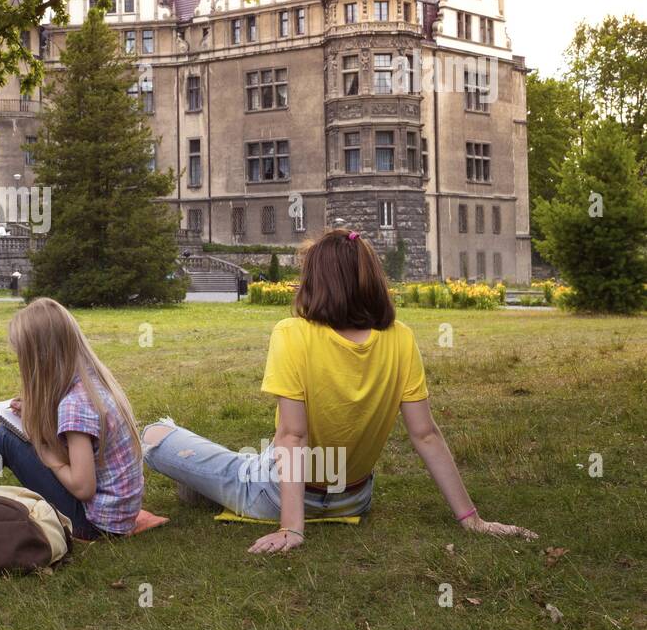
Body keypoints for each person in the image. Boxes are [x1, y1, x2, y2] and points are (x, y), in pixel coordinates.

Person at [143, 229, 537, 555]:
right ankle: (208, 485)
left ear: (317, 281)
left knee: (155, 436)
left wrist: (291, 529)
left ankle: (206, 485)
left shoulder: (292, 333)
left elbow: (294, 436)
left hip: (280, 494)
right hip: (353, 498)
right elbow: (425, 434)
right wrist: (472, 519)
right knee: (254, 458)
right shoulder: (401, 339)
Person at [0, 297, 143, 538]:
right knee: (10, 436)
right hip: (117, 518)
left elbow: (83, 487)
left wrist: (46, 453)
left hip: (93, 525)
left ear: (38, 360)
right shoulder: (91, 382)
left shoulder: (75, 405)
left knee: (5, 439)